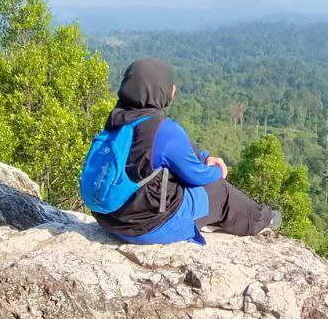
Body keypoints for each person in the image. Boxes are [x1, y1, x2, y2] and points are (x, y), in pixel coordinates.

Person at [92, 58, 281, 245]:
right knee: (218, 189)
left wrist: (206, 157)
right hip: (147, 227)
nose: (173, 88)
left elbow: (174, 154)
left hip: (110, 219)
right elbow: (199, 176)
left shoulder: (117, 119)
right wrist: (218, 171)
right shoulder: (164, 130)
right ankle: (263, 220)